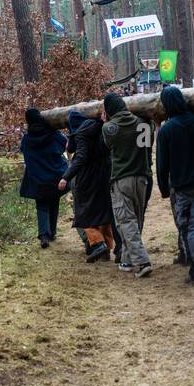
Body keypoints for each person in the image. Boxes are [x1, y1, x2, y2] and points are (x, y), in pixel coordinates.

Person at [156, 86, 194, 285]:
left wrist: (163, 188)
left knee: (188, 227)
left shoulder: (167, 130)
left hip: (183, 187)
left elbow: (162, 164)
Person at [102, 92, 153, 278]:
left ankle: (141, 262)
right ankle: (126, 259)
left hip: (121, 180)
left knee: (125, 221)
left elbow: (108, 145)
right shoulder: (143, 123)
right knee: (134, 220)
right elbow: (148, 145)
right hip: (142, 179)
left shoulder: (109, 127)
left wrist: (105, 121)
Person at [59, 109, 116, 262]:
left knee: (83, 212)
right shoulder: (100, 128)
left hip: (87, 178)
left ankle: (97, 244)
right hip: (105, 176)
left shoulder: (82, 133)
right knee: (104, 212)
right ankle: (107, 249)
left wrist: (66, 177)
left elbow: (80, 156)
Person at [18, 107, 68, 249]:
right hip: (56, 176)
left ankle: (44, 235)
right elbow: (64, 145)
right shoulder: (53, 134)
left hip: (38, 178)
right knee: (54, 202)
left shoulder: (27, 139)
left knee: (42, 205)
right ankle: (52, 233)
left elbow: (24, 151)